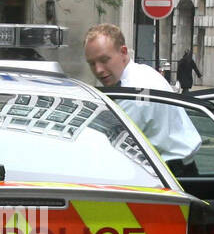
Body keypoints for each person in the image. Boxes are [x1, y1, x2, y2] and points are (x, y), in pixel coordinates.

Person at [83, 23, 200, 176]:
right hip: (178, 167)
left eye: (104, 60)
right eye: (92, 63)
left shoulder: (132, 93)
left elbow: (111, 148)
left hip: (169, 173)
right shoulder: (143, 72)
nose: (98, 69)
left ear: (123, 52)